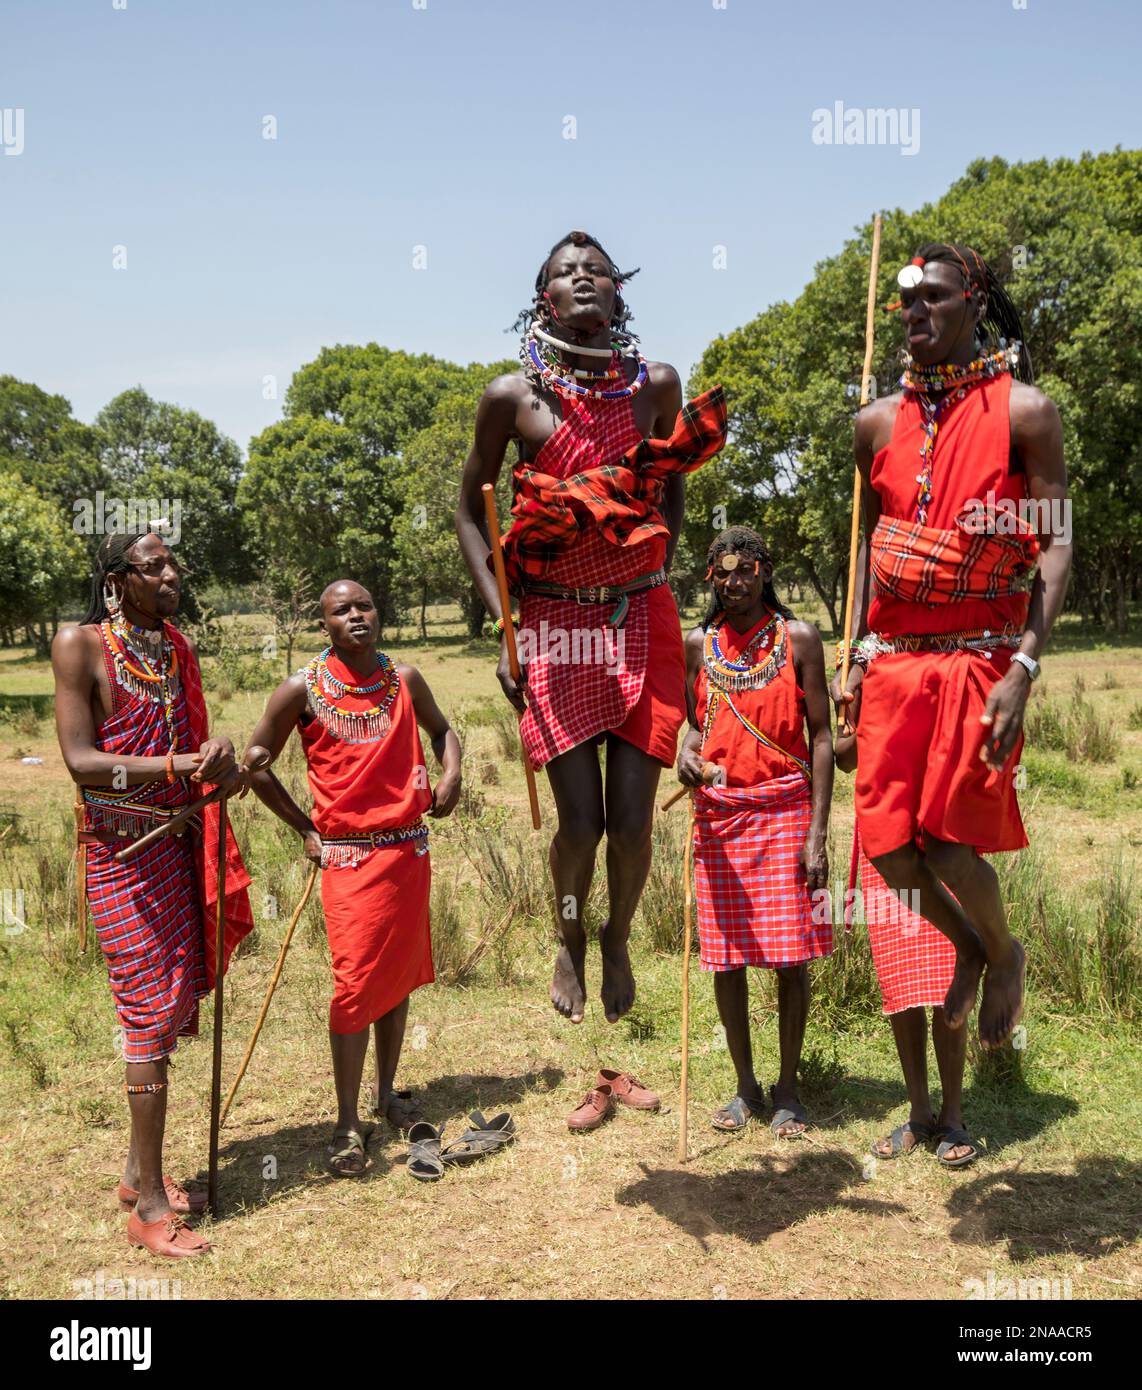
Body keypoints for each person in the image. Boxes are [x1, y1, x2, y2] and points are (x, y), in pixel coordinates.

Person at [455, 230, 726, 1063]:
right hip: (555, 627)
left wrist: (649, 567)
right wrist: (507, 622)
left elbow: (673, 487)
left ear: (618, 293)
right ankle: (568, 934)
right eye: (564, 273)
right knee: (579, 824)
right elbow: (472, 510)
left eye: (596, 271)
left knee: (635, 824)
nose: (582, 279)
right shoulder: (514, 398)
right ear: (544, 299)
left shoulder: (658, 386)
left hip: (641, 616)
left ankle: (616, 935)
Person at [837, 241, 1071, 1050]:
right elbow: (875, 553)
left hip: (980, 661)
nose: (915, 313)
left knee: (948, 843)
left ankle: (1003, 953)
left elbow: (1056, 546)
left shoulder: (1025, 413)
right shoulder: (874, 425)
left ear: (973, 305)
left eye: (933, 298)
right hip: (895, 665)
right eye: (906, 301)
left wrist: (1025, 669)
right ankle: (968, 947)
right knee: (889, 852)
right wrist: (855, 658)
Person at [52, 530, 253, 1258]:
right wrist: (173, 762)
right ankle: (150, 1213)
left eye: (174, 564)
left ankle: (139, 1175)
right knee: (145, 1015)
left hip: (171, 845)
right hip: (117, 851)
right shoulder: (81, 646)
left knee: (168, 1007)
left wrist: (219, 768)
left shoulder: (176, 651)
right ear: (116, 580)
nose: (171, 575)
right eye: (153, 566)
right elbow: (79, 761)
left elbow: (195, 752)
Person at [245, 580, 461, 1176]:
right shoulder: (301, 689)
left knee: (398, 977)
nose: (356, 616)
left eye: (363, 606)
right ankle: (346, 1123)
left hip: (408, 852)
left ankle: (385, 1092)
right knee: (354, 985)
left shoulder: (406, 679)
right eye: (342, 611)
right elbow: (255, 764)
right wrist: (304, 829)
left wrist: (450, 775)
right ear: (325, 627)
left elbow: (445, 732)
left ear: (377, 613)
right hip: (346, 857)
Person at [678, 528, 833, 1136]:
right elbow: (696, 725)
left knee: (792, 959)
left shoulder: (798, 640)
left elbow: (822, 738)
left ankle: (788, 1088)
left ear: (766, 573)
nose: (734, 581)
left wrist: (817, 834)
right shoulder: (697, 645)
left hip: (788, 813)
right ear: (711, 579)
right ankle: (745, 1087)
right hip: (720, 819)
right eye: (722, 572)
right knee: (727, 959)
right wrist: (687, 757)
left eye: (746, 570)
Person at [835, 706, 978, 1167]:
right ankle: (920, 1113)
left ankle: (953, 1116)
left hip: (942, 820)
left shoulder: (949, 646)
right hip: (886, 828)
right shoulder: (860, 661)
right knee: (901, 980)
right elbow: (843, 756)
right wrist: (854, 707)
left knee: (945, 971)